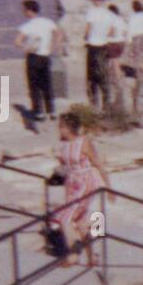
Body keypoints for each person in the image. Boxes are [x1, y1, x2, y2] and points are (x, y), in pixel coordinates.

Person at [53, 112, 112, 268]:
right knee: (80, 221)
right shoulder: (62, 144)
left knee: (65, 218)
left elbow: (98, 164)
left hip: (86, 182)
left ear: (71, 127)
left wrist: (109, 187)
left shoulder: (83, 142)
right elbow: (64, 166)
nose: (60, 129)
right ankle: (92, 256)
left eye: (62, 126)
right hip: (71, 183)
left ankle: (74, 255)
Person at [13, 0, 60, 121]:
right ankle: (51, 110)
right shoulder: (48, 22)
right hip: (45, 56)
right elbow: (58, 33)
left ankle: (39, 111)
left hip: (33, 57)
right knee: (47, 84)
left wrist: (26, 48)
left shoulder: (27, 26)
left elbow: (17, 41)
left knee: (34, 85)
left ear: (28, 11)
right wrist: (53, 47)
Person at [82, 0, 117, 111]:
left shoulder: (91, 12)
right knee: (104, 76)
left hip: (93, 46)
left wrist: (86, 37)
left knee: (92, 79)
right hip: (104, 47)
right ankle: (106, 106)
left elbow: (88, 30)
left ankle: (94, 106)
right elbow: (112, 32)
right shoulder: (109, 14)